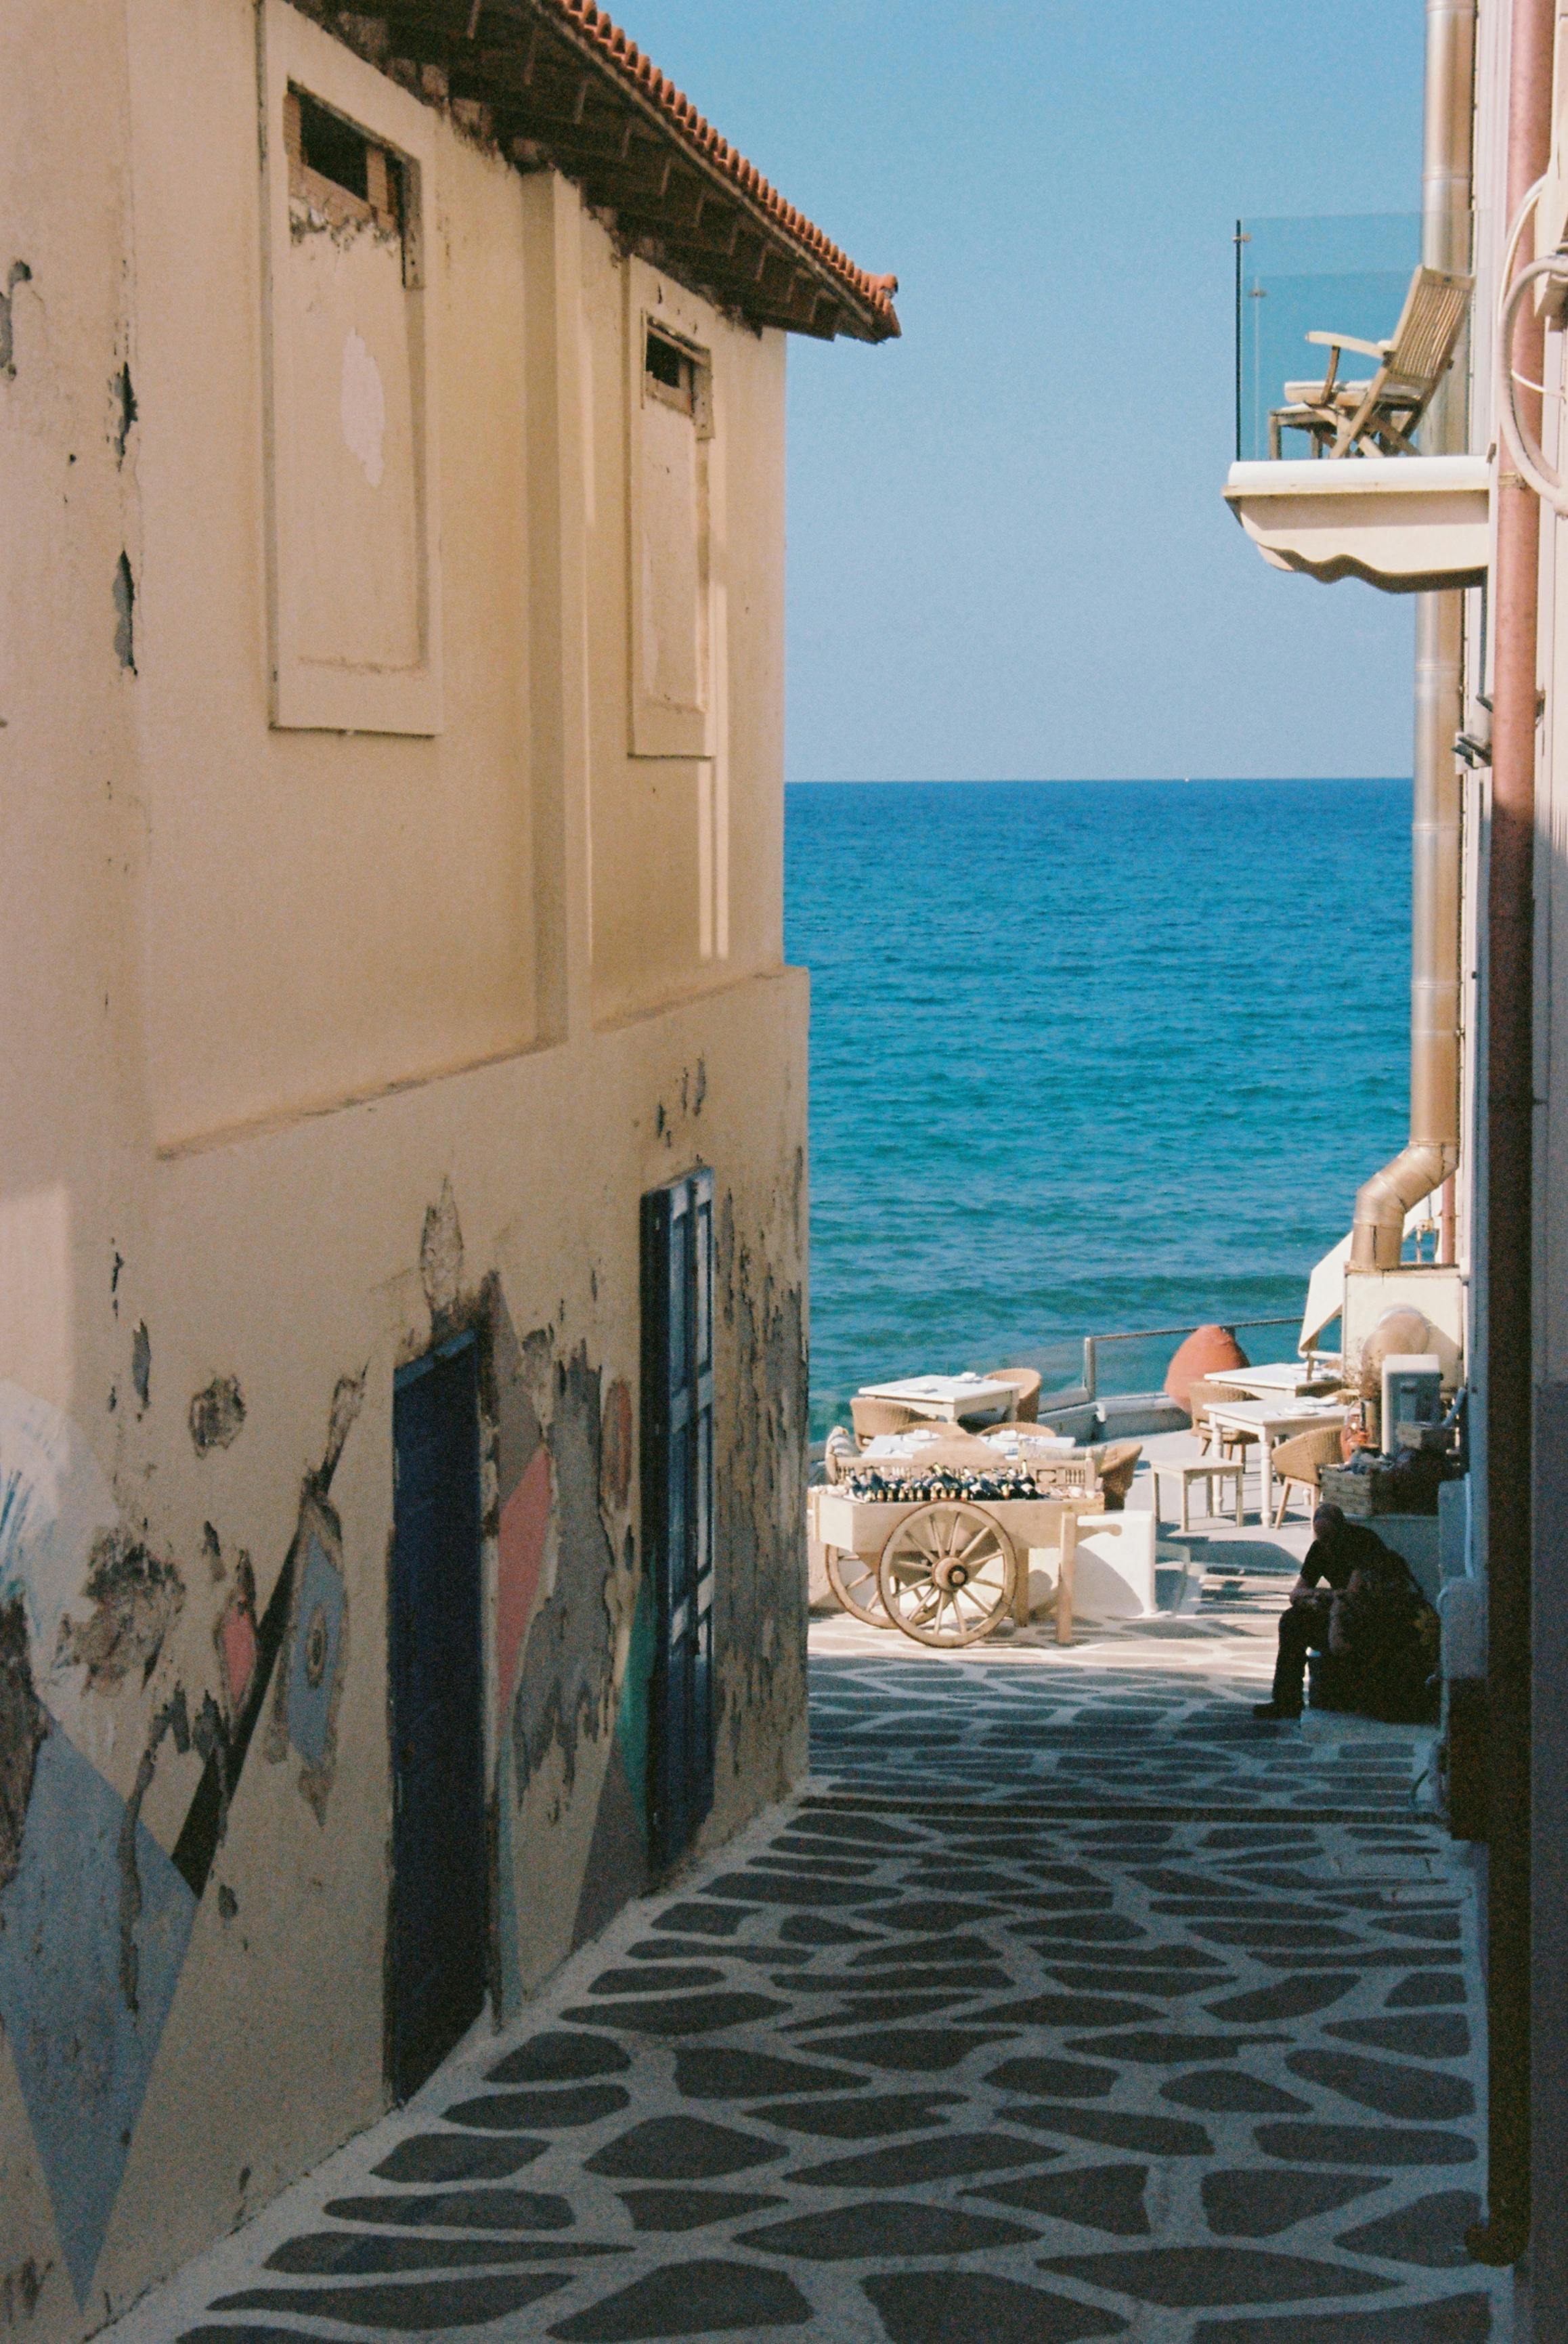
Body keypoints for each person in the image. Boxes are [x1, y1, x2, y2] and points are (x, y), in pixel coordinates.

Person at [1253, 1502, 1410, 1720]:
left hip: (1371, 1613)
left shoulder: (1363, 1543)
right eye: (1321, 1537)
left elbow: (1354, 1593)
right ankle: (1287, 1701)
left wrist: (1324, 1596)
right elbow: (1297, 1593)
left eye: (1330, 1537)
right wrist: (1320, 1598)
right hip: (1340, 1606)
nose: (1326, 1543)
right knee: (1292, 1621)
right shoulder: (1319, 1549)